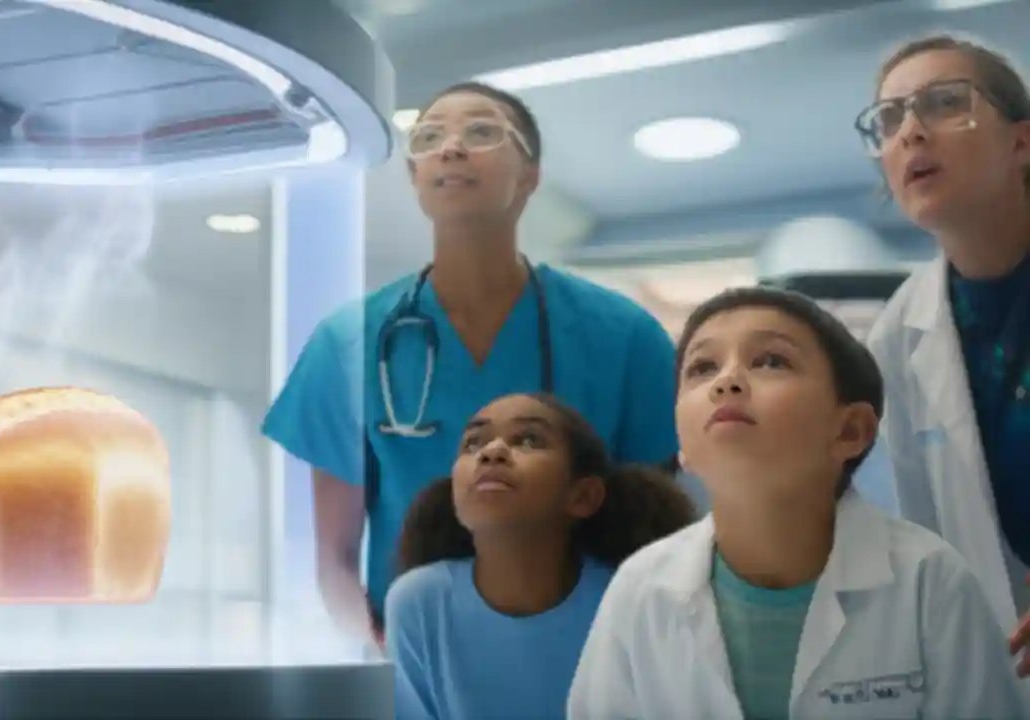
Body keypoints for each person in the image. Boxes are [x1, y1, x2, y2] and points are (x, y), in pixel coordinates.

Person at [260, 81, 680, 645]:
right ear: (414, 177)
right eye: (429, 137)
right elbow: (335, 558)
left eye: (482, 132)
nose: (450, 148)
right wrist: (384, 655)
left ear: (530, 175)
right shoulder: (348, 343)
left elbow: (654, 542)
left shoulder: (627, 337)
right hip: (410, 662)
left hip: (583, 661)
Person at [567, 287, 1027, 719]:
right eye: (702, 368)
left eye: (770, 360)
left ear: (849, 431)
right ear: (682, 445)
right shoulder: (640, 589)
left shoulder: (931, 582)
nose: (726, 381)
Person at [856, 34, 1030, 674]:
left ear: (1022, 142)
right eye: (890, 117)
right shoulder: (900, 335)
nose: (910, 132)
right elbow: (925, 533)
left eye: (945, 101)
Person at [384, 392, 695, 720]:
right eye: (473, 443)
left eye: (529, 440)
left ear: (583, 497)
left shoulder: (630, 602)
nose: (492, 452)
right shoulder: (417, 603)